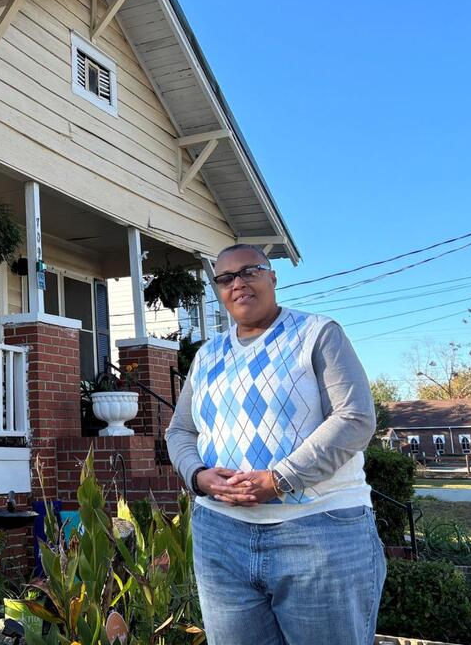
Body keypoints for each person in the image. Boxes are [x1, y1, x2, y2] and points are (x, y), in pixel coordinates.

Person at [166, 244, 385, 645]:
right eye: (225, 278)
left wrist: (279, 479)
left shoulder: (317, 334)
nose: (238, 283)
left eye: (249, 271)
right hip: (221, 534)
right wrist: (198, 477)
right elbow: (180, 431)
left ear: (272, 277)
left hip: (318, 531)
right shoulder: (207, 354)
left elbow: (354, 418)